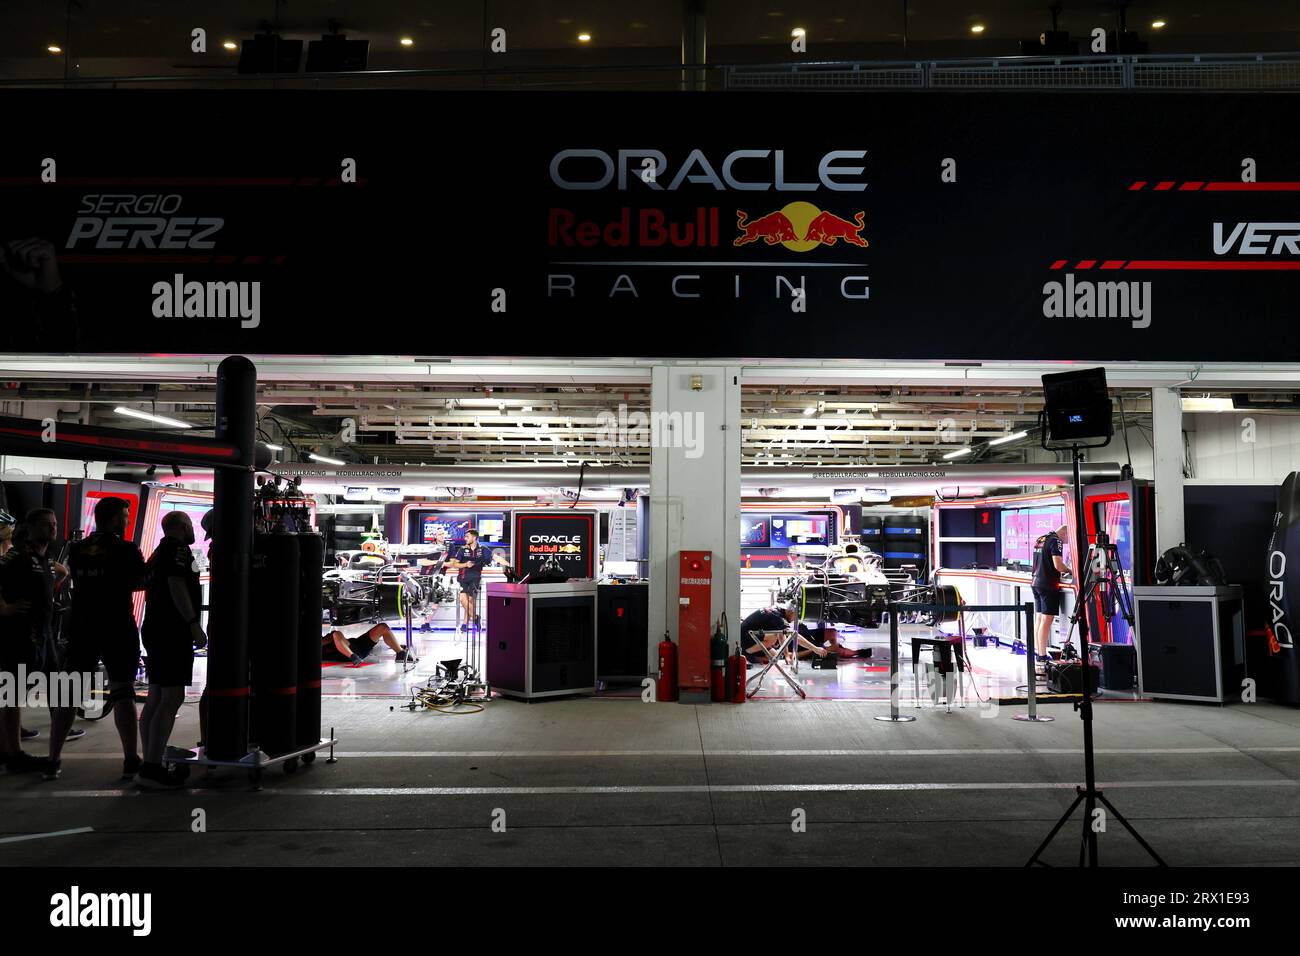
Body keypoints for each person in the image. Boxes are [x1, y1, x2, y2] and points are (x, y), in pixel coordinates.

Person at [46, 497, 147, 781]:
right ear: (115, 519)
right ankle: (130, 759)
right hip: (117, 624)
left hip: (83, 624)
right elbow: (141, 581)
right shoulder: (126, 549)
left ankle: (53, 760)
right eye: (125, 516)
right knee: (123, 691)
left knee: (69, 692)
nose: (127, 521)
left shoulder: (78, 549)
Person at [137, 512, 205, 789]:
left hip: (154, 628)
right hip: (171, 631)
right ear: (181, 526)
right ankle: (152, 767)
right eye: (190, 525)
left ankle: (150, 759)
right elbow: (177, 585)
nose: (192, 530)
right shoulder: (177, 550)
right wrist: (192, 624)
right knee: (172, 697)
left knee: (156, 697)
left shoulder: (158, 552)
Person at [0, 509, 60, 774]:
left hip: (44, 633)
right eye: (47, 525)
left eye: (54, 524)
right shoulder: (19, 554)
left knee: (57, 688)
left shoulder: (44, 557)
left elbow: (60, 572)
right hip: (21, 633)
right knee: (12, 694)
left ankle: (54, 741)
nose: (52, 529)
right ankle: (12, 754)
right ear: (32, 527)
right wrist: (4, 608)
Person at [1031, 523, 1072, 661]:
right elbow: (1058, 565)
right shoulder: (1056, 541)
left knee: (1039, 619)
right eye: (1068, 538)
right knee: (1046, 621)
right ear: (1065, 533)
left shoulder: (1041, 538)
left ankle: (1039, 652)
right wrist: (1070, 571)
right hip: (1048, 585)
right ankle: (1042, 656)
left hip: (1036, 583)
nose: (1067, 542)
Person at [737, 604, 831, 662]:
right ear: (790, 611)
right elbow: (794, 636)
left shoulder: (776, 611)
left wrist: (787, 656)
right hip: (745, 640)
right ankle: (747, 652)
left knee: (776, 655)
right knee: (773, 637)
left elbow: (782, 636)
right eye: (796, 616)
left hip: (747, 638)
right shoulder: (778, 617)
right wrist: (815, 649)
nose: (795, 619)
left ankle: (750, 654)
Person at [446, 529, 492, 631]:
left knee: (471, 600)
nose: (465, 538)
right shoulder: (462, 549)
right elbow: (455, 564)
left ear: (474, 537)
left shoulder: (484, 549)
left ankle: (465, 624)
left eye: (467, 536)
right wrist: (466, 564)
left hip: (475, 578)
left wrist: (508, 565)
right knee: (463, 600)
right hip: (463, 577)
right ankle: (476, 618)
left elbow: (494, 557)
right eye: (465, 537)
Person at [321, 621, 413, 666]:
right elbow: (332, 636)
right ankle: (353, 657)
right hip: (347, 653)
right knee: (335, 633)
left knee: (383, 627)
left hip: (356, 646)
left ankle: (400, 653)